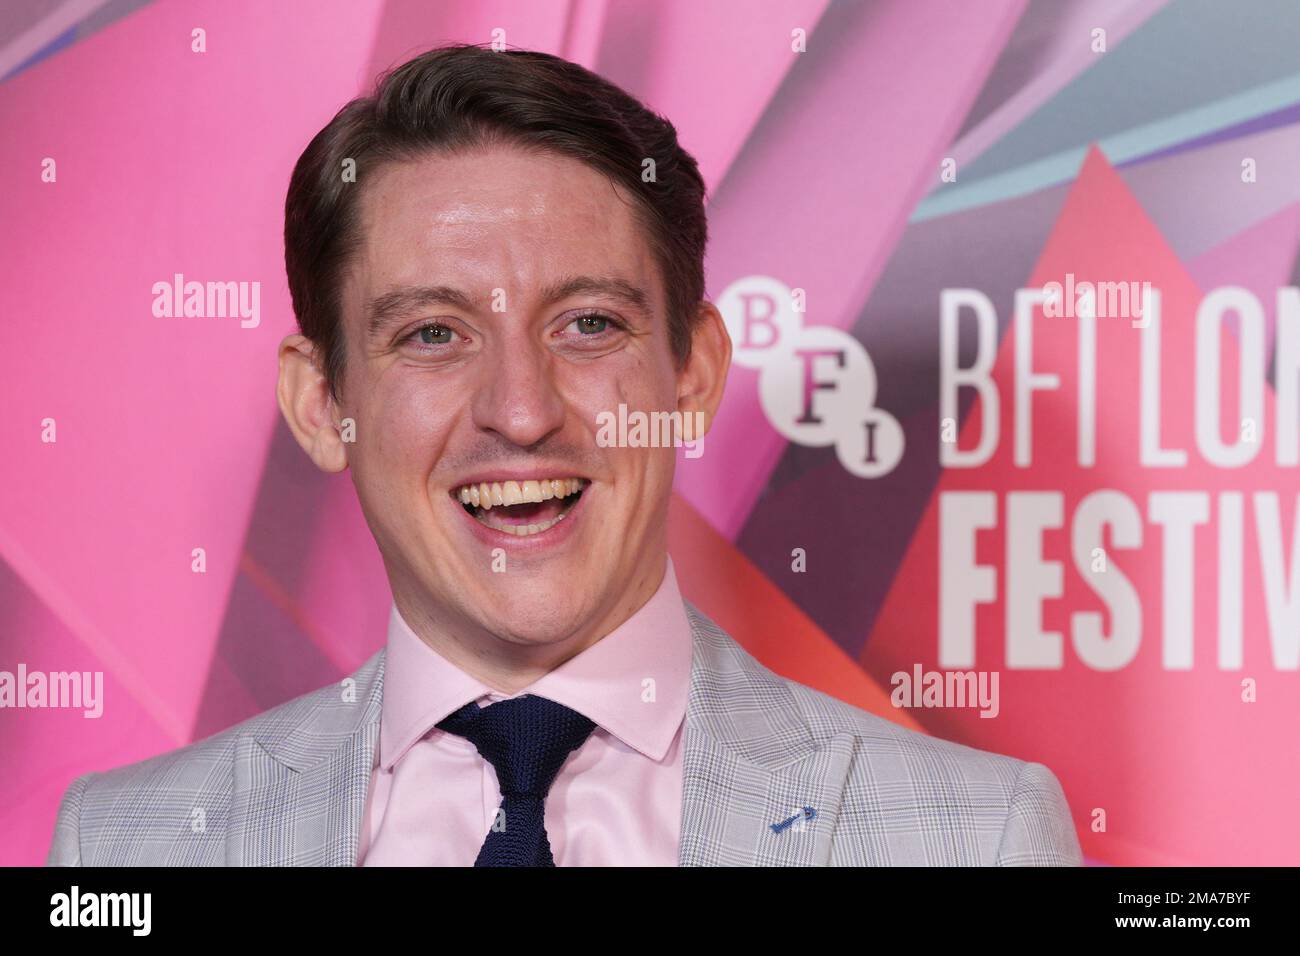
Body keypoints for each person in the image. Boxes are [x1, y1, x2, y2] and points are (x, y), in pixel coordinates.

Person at [47, 43, 1082, 867]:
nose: (522, 408)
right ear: (321, 403)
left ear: (691, 372)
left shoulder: (970, 836)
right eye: (433, 334)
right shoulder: (125, 850)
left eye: (587, 324)